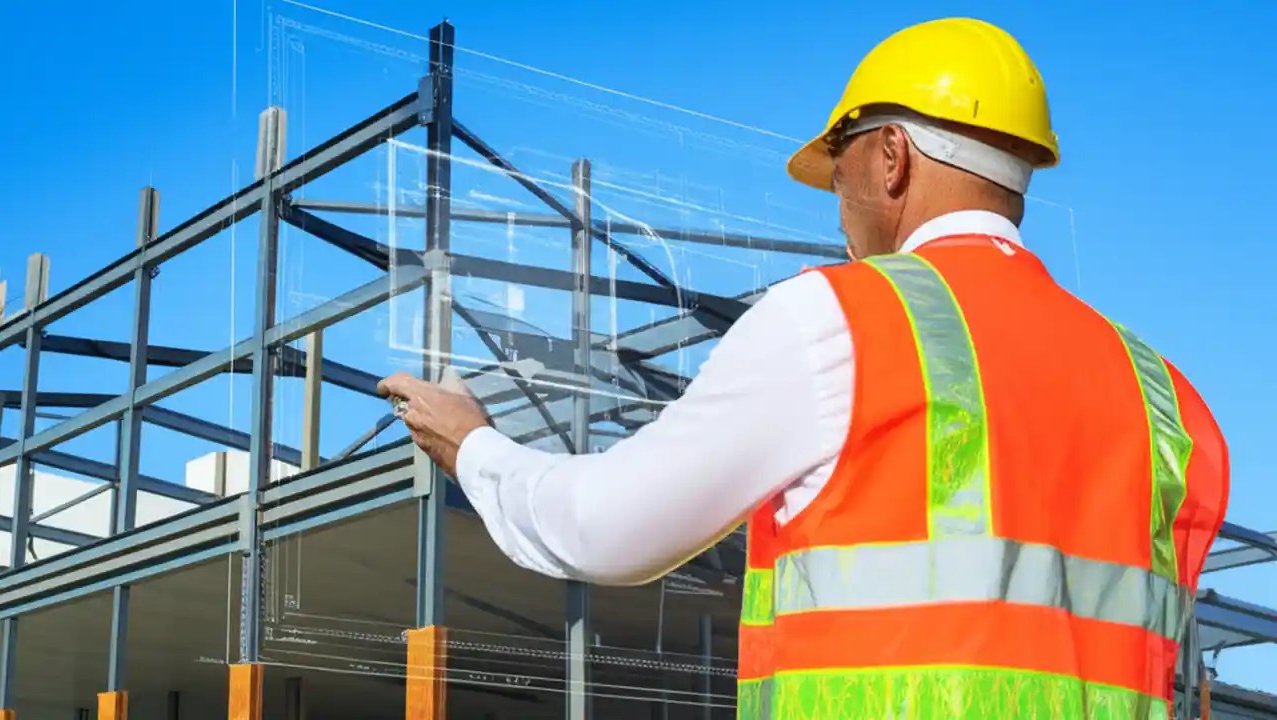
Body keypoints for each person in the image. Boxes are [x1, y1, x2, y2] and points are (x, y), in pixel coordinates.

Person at [378, 16, 1230, 719]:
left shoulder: (842, 320)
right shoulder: (1167, 400)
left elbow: (607, 527)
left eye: (842, 170)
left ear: (890, 158)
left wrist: (475, 449)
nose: (839, 208)